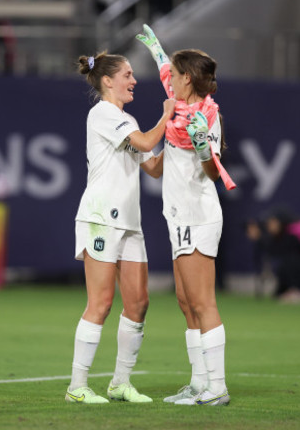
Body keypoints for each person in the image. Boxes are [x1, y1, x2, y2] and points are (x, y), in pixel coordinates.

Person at [66, 51, 174, 404]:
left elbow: (154, 166)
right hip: (100, 218)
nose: (134, 81)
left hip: (129, 222)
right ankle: (77, 387)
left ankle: (119, 383)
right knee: (101, 302)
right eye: (128, 75)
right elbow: (144, 142)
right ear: (108, 80)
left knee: (139, 303)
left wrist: (176, 134)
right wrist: (166, 114)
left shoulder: (126, 120)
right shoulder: (102, 114)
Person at [137, 24, 234, 406]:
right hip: (178, 216)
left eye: (176, 76)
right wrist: (158, 52)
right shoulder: (178, 108)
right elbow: (166, 74)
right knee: (184, 300)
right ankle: (198, 383)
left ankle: (218, 386)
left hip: (198, 213)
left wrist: (202, 147)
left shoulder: (206, 116)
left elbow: (212, 171)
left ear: (188, 78)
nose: (170, 81)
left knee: (202, 301)